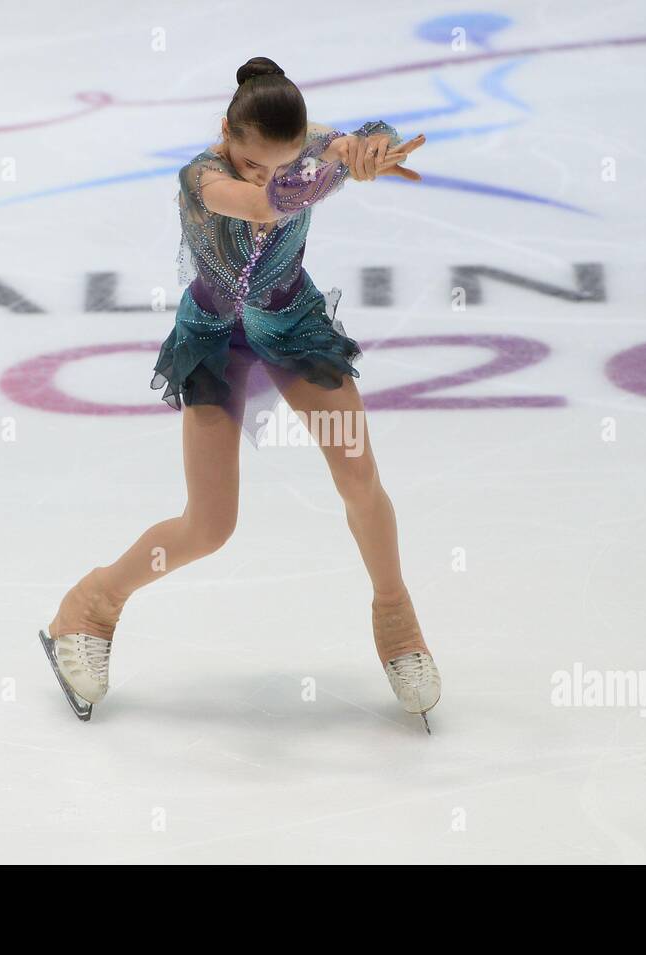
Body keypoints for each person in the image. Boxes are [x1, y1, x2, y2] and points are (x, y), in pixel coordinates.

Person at [39, 55, 440, 731]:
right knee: (209, 525)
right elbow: (262, 203)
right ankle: (91, 603)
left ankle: (397, 618)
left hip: (294, 326)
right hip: (214, 339)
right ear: (226, 133)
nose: (268, 174)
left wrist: (364, 148)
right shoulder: (202, 178)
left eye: (284, 163)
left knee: (359, 478)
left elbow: (363, 133)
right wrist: (334, 164)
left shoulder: (309, 152)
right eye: (253, 161)